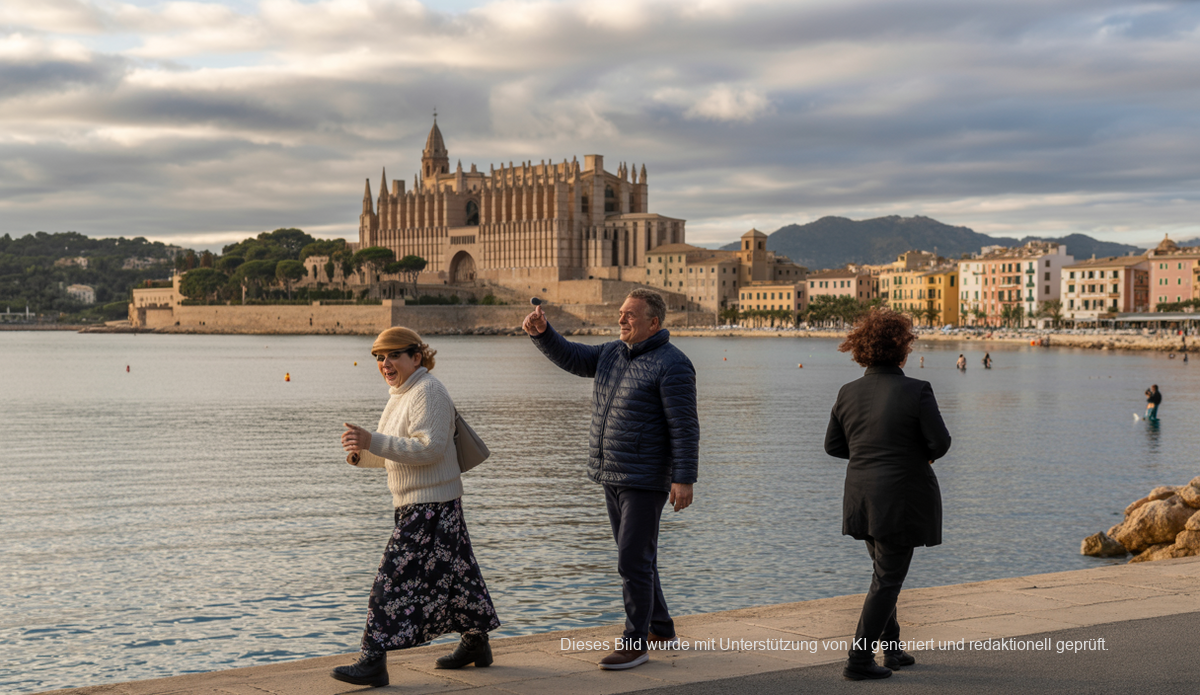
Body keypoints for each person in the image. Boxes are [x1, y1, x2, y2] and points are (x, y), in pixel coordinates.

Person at [523, 288, 698, 671]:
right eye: (621, 313)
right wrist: (543, 332)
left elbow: (684, 428)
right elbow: (571, 356)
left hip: (645, 478)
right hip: (611, 472)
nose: (621, 320)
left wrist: (683, 479)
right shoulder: (611, 354)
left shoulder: (674, 364)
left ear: (653, 323)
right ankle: (662, 627)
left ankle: (635, 642)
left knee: (632, 560)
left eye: (630, 315)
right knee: (638, 557)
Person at [332, 327, 501, 687]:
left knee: (389, 583)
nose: (385, 363)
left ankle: (373, 660)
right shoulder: (401, 394)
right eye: (379, 357)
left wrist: (373, 440)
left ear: (416, 357)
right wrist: (361, 453)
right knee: (459, 576)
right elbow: (396, 454)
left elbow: (429, 449)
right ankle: (476, 643)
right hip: (426, 503)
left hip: (431, 506)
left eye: (394, 355)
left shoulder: (429, 391)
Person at [824, 309, 951, 681]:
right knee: (887, 578)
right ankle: (859, 661)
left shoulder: (848, 391)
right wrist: (908, 455)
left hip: (861, 497)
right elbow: (940, 443)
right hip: (901, 497)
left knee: (883, 572)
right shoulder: (917, 389)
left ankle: (892, 649)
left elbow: (833, 446)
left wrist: (868, 454)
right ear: (902, 349)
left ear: (863, 349)